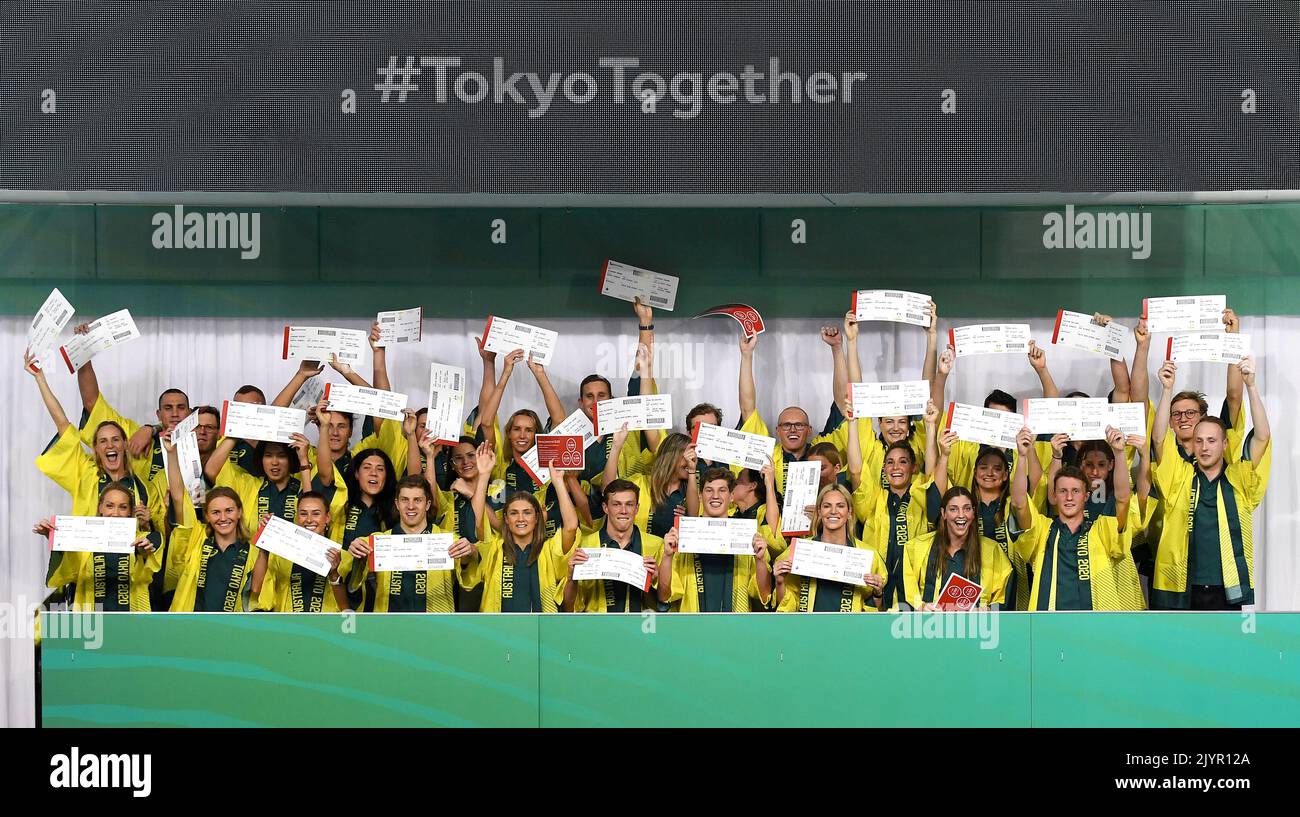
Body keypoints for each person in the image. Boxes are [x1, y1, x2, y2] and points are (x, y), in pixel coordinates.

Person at [1149, 358, 1271, 609]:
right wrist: (1167, 389)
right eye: (1199, 440)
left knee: (1224, 649)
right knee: (1174, 648)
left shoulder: (1238, 478)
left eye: (1212, 441)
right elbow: (1159, 438)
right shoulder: (1179, 475)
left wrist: (1252, 386)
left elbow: (1262, 436)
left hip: (1226, 586)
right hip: (1179, 585)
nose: (1204, 447)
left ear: (1225, 444)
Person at [27, 351, 165, 535]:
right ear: (96, 448)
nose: (110, 446)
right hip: (88, 563)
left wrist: (148, 524)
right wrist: (40, 378)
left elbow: (159, 540)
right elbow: (62, 423)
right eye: (103, 441)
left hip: (128, 564)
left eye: (115, 440)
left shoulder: (145, 489)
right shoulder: (84, 473)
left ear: (125, 444)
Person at [1009, 426, 1145, 610]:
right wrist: (1023, 456)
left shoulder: (1100, 530)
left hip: (1096, 626)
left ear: (1086, 496)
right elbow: (1019, 504)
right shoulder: (1042, 529)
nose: (1069, 497)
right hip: (1050, 624)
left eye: (1076, 491)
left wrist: (1119, 453)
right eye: (1063, 491)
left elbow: (1122, 500)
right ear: (1054, 496)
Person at [831, 302, 938, 486]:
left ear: (909, 423)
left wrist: (932, 336)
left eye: (902, 421)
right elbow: (855, 390)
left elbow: (928, 391)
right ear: (879, 423)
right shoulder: (870, 447)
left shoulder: (919, 444)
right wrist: (852, 341)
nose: (896, 428)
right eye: (889, 421)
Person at [848, 400, 941, 611]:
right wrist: (852, 424)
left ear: (914, 466)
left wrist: (931, 426)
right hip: (879, 585)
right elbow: (855, 471)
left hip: (918, 585)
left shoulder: (921, 493)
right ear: (883, 469)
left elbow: (934, 471)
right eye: (890, 462)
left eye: (903, 461)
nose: (896, 467)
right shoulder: (875, 499)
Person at [463, 444, 579, 612]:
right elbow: (477, 520)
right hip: (498, 633)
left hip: (541, 633)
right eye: (514, 513)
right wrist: (484, 475)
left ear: (537, 517)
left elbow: (571, 526)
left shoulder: (548, 550)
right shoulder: (494, 549)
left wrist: (558, 482)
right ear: (506, 519)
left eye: (527, 512)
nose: (521, 519)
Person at [737, 329, 848, 496]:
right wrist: (746, 355)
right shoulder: (767, 456)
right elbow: (747, 408)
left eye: (799, 425)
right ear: (777, 430)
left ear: (809, 430)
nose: (793, 430)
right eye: (786, 425)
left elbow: (843, 401)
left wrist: (837, 348)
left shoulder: (821, 451)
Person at [344, 475, 476, 612]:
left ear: (427, 504)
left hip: (436, 627)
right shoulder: (378, 542)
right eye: (404, 500)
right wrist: (356, 551)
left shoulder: (447, 541)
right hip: (390, 627)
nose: (411, 506)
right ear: (397, 504)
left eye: (417, 500)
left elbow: (469, 568)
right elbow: (353, 580)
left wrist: (471, 551)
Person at [164, 440, 265, 612]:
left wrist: (265, 544)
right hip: (191, 630)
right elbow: (179, 497)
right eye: (216, 512)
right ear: (207, 516)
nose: (223, 517)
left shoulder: (254, 552)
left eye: (229, 510)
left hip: (232, 633)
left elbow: (257, 593)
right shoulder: (195, 539)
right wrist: (172, 454)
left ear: (240, 512)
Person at [35, 482, 162, 612]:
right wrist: (51, 536)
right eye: (109, 506)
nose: (115, 513)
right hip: (91, 622)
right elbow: (68, 570)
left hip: (133, 619)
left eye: (123, 507)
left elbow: (155, 543)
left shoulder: (140, 539)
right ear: (100, 507)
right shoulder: (83, 538)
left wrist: (146, 547)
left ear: (130, 511)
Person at [660, 467, 773, 612]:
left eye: (722, 490)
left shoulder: (749, 537)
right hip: (693, 628)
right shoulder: (682, 536)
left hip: (734, 628)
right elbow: (664, 596)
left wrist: (760, 560)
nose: (715, 496)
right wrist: (667, 556)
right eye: (709, 490)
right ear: (700, 496)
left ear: (731, 496)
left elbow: (764, 595)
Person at [773, 484, 888, 612]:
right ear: (819, 511)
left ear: (850, 512)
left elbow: (873, 611)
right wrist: (779, 581)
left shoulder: (868, 555)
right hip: (808, 628)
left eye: (840, 506)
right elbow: (787, 604)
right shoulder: (799, 551)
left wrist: (878, 593)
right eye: (827, 506)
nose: (833, 511)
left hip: (849, 629)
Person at [560, 479, 667, 613]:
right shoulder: (585, 546)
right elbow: (568, 608)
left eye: (629, 504)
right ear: (605, 508)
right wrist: (571, 578)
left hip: (641, 629)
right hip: (598, 630)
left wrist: (654, 581)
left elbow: (663, 606)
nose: (623, 510)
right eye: (616, 504)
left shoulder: (656, 545)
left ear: (637, 508)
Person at [902, 486, 1011, 610]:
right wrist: (921, 607)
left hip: (977, 627)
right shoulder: (916, 547)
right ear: (943, 513)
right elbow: (907, 593)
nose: (961, 515)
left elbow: (1003, 598)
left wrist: (988, 609)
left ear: (973, 513)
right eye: (953, 509)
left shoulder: (992, 551)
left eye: (967, 509)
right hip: (928, 625)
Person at [256, 491, 349, 612]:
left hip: (326, 627)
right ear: (297, 517)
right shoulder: (281, 554)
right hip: (288, 627)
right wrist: (264, 544)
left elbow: (347, 610)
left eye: (316, 514)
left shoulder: (343, 557)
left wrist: (333, 574)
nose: (309, 520)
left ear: (327, 518)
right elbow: (256, 589)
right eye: (303, 514)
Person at [603, 428, 699, 536]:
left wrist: (692, 471)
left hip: (676, 552)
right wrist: (616, 446)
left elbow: (694, 517)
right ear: (672, 457)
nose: (692, 461)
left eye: (694, 457)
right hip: (643, 551)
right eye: (687, 456)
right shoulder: (641, 483)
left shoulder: (691, 491)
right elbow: (608, 490)